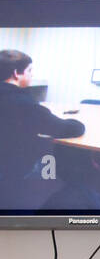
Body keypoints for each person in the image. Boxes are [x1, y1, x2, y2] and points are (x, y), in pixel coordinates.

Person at [0, 49, 86, 182]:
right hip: (13, 170)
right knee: (61, 155)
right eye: (29, 70)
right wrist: (78, 122)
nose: (32, 75)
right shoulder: (23, 103)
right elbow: (67, 129)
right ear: (16, 73)